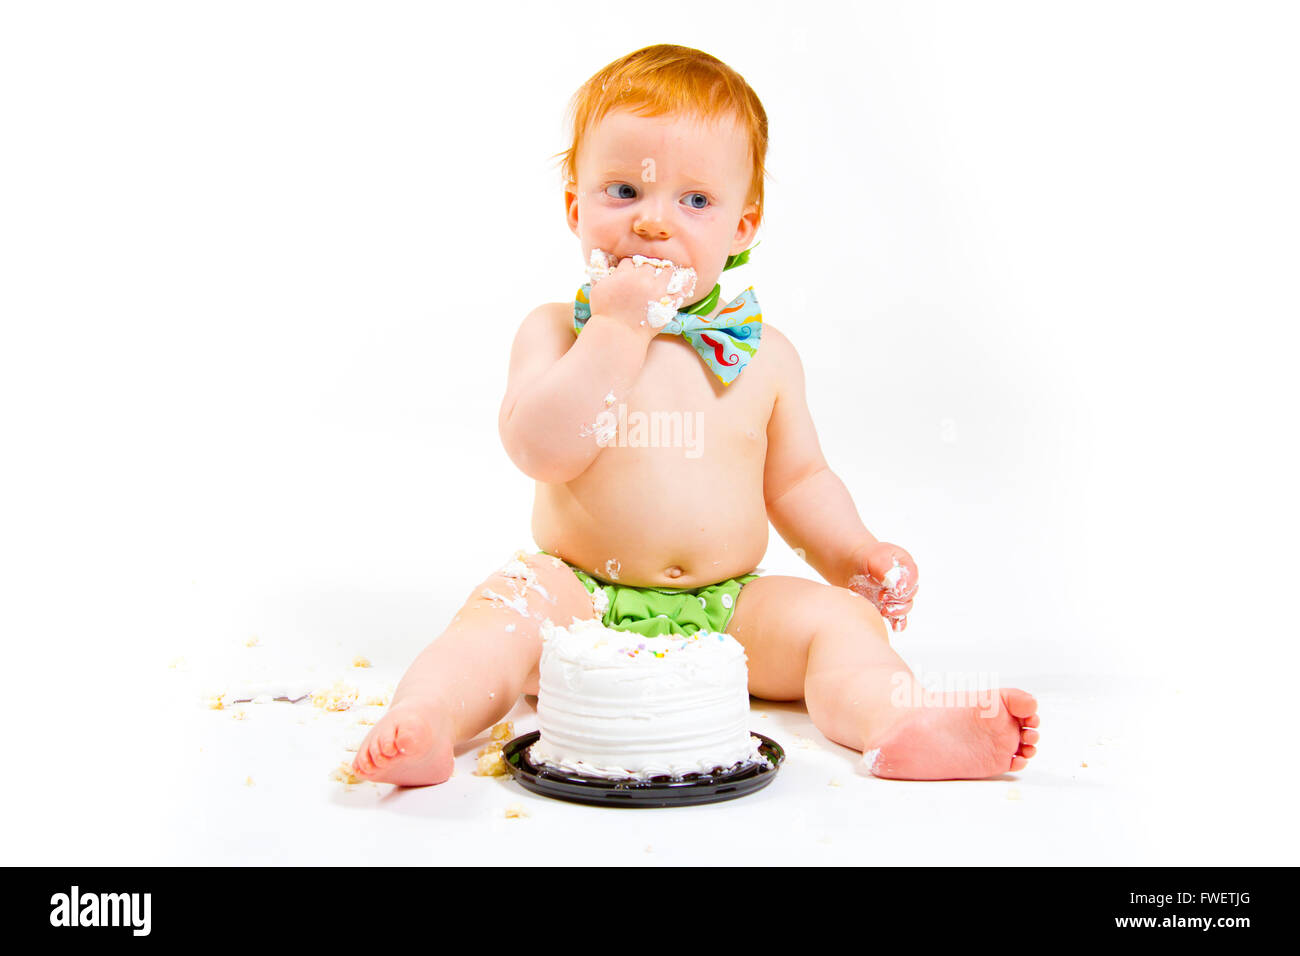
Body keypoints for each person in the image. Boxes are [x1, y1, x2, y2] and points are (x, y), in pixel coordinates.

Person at [352, 44, 1038, 785]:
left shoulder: (766, 357)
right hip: (579, 594)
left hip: (731, 608)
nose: (653, 222)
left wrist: (855, 553)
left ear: (743, 226)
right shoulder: (555, 332)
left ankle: (901, 724)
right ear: (575, 208)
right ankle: (423, 719)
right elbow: (542, 450)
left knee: (845, 628)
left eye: (695, 201)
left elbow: (800, 481)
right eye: (623, 191)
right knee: (496, 618)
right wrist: (616, 331)